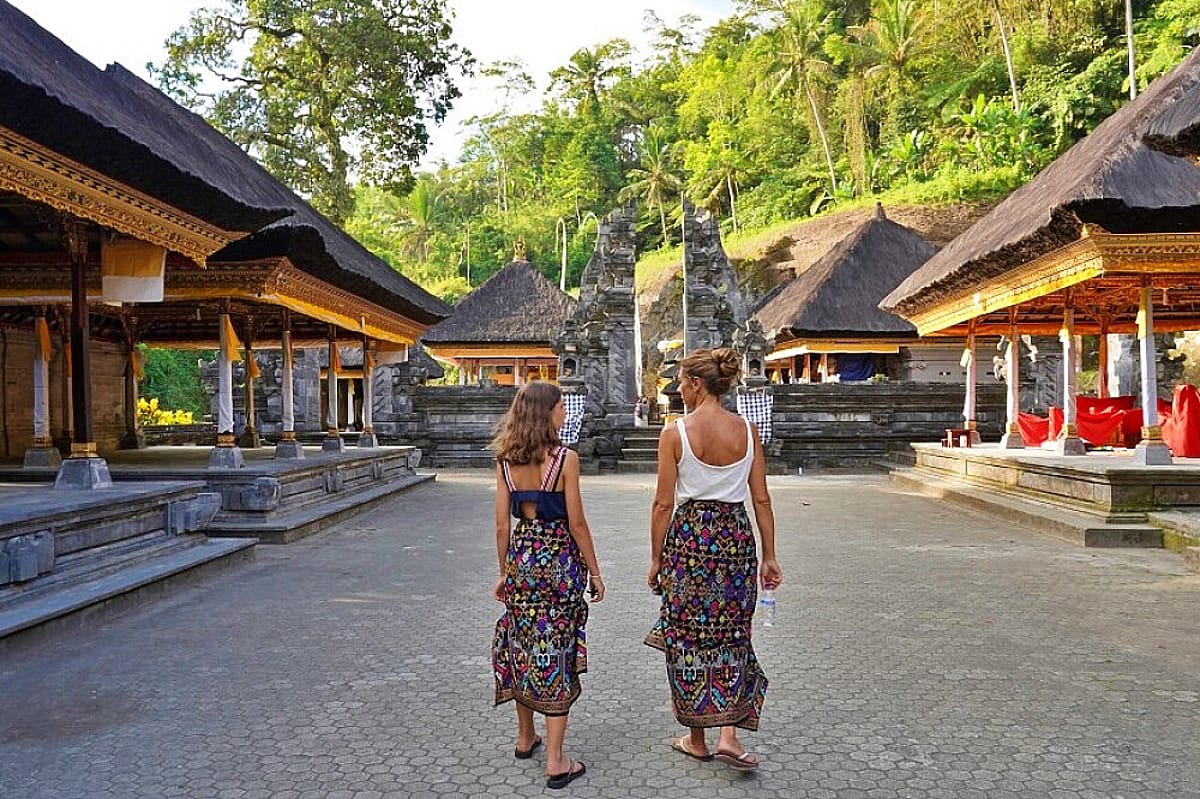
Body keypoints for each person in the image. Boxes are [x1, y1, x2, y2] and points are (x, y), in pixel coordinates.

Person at [645, 347, 783, 770]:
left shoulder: (676, 433)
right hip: (736, 539)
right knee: (732, 633)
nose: (679, 389)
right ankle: (729, 735)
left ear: (697, 384)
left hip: (689, 540)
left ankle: (696, 738)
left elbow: (662, 505)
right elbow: (760, 497)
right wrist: (770, 556)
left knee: (688, 636)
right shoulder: (747, 431)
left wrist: (656, 560)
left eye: (682, 382)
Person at [491, 381, 604, 790]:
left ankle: (526, 738)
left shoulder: (504, 460)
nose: (564, 413)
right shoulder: (565, 459)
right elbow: (576, 523)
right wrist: (595, 571)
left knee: (521, 643)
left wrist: (504, 571)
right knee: (555, 648)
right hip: (559, 561)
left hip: (522, 558)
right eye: (560, 407)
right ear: (547, 413)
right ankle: (556, 760)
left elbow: (503, 524)